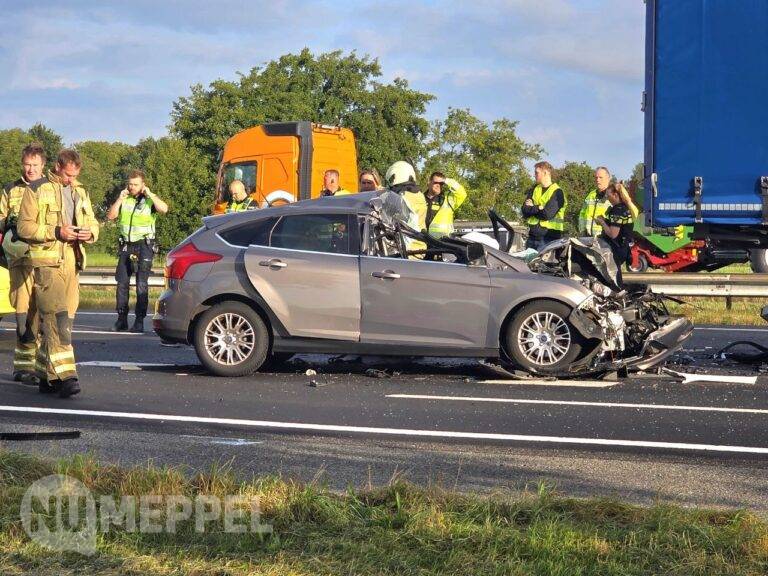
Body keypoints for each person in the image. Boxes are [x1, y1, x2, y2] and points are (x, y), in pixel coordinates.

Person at [17, 149, 99, 398]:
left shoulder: (80, 191)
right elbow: (23, 227)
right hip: (48, 263)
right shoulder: (37, 189)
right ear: (57, 167)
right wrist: (55, 231)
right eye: (66, 175)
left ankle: (46, 375)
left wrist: (90, 233)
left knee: (65, 321)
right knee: (56, 318)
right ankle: (66, 376)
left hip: (72, 262)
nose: (69, 180)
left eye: (74, 176)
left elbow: (94, 222)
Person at [0, 143, 45, 384]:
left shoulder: (50, 188)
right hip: (18, 258)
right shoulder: (11, 189)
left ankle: (40, 365)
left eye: (35, 165)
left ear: (43, 165)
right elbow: (1, 218)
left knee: (42, 313)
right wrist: (8, 227)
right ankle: (23, 366)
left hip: (43, 259)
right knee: (22, 313)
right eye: (27, 164)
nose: (30, 169)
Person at [106, 169, 169, 333]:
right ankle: (121, 319)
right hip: (126, 245)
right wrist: (119, 199)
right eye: (130, 184)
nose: (132, 187)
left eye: (135, 184)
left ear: (143, 185)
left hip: (144, 245)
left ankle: (139, 320)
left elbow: (164, 209)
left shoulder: (149, 201)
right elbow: (111, 216)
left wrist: (151, 195)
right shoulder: (125, 200)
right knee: (122, 283)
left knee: (141, 284)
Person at [521, 161, 567, 251]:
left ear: (545, 173)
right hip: (532, 237)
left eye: (536, 173)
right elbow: (524, 210)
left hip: (549, 238)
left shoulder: (557, 192)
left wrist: (532, 207)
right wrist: (539, 207)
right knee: (527, 264)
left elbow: (547, 215)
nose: (534, 175)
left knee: (543, 265)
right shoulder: (534, 189)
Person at [595, 184, 634, 286]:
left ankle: (618, 295)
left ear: (615, 195)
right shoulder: (625, 207)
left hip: (617, 248)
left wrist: (602, 223)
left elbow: (613, 234)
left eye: (608, 196)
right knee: (615, 277)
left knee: (613, 280)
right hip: (624, 247)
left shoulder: (617, 210)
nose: (607, 199)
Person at [424, 171, 467, 238]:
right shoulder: (420, 198)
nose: (438, 185)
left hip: (443, 242)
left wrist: (446, 180)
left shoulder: (448, 200)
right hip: (422, 240)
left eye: (441, 183)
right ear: (429, 182)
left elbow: (462, 193)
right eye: (436, 182)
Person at [578, 166, 613, 237]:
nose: (597, 180)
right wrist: (582, 230)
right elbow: (582, 213)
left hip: (604, 239)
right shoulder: (591, 194)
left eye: (600, 177)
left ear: (608, 179)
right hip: (587, 237)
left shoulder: (613, 196)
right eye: (596, 177)